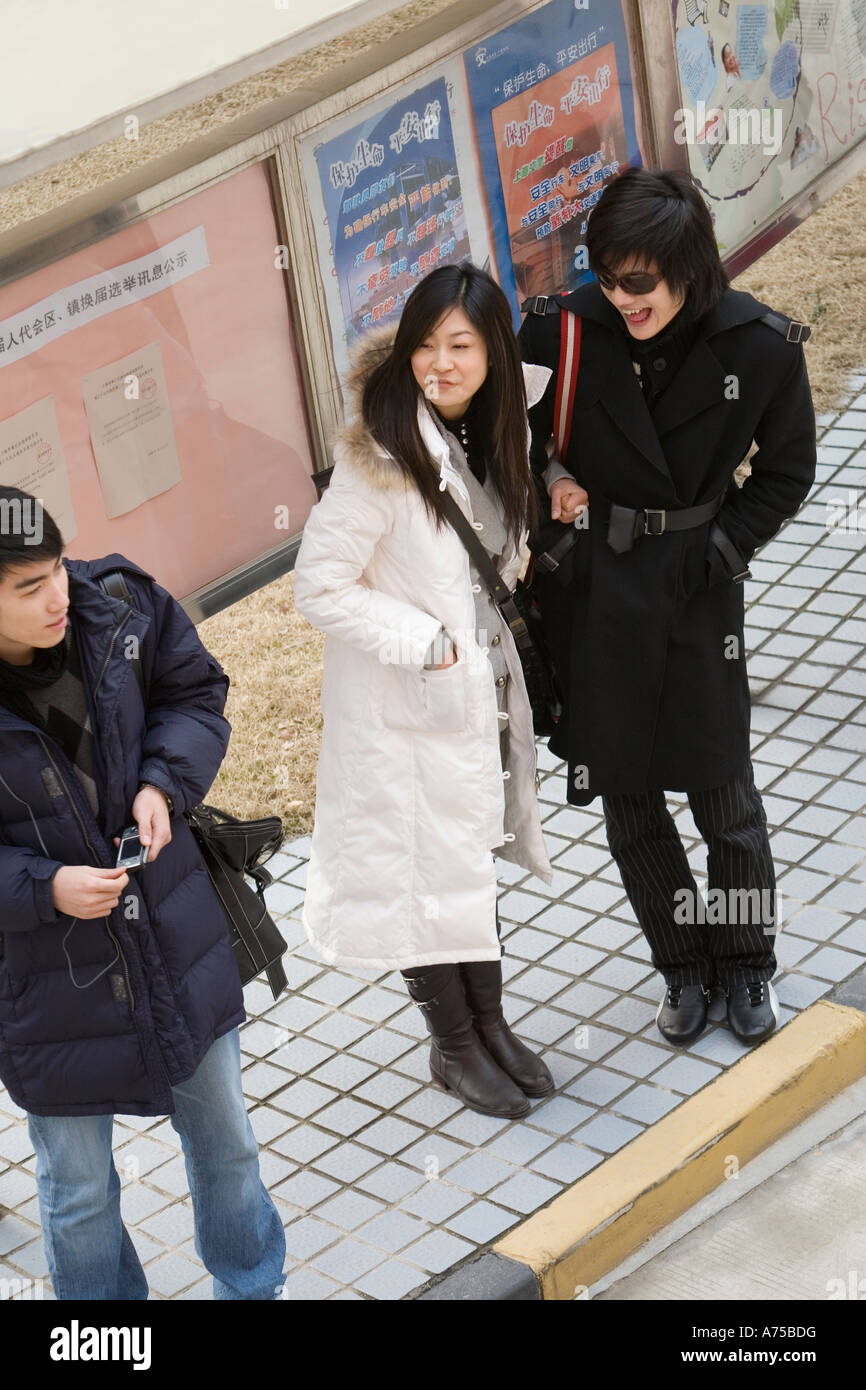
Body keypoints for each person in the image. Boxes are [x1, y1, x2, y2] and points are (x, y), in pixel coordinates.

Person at [518, 167, 817, 1048]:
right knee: (631, 801)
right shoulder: (563, 331)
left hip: (695, 593)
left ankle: (747, 961)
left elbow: (788, 473)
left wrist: (718, 553)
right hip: (598, 591)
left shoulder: (759, 345)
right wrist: (557, 485)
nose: (621, 297)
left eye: (639, 282)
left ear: (689, 265)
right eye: (607, 277)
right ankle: (682, 967)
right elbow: (516, 438)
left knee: (726, 797)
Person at [0, 486, 285, 1299]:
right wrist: (42, 885)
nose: (58, 595)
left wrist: (163, 783)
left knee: (225, 1141)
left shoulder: (119, 606)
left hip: (172, 935)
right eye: (28, 587)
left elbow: (193, 692)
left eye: (56, 568)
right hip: (45, 979)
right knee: (79, 1191)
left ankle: (253, 1287)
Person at [292, 263, 555, 1120]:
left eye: (461, 346)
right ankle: (453, 1046)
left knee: (460, 864)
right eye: (426, 346)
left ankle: (489, 1025)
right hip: (402, 711)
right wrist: (428, 642)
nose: (440, 364)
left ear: (492, 356)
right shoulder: (381, 459)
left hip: (466, 703)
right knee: (418, 876)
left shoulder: (494, 431)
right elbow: (318, 587)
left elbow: (489, 546)